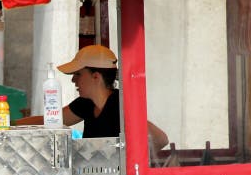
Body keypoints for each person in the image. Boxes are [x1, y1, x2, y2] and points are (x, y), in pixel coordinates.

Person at [17, 44, 168, 150]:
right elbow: (49, 120)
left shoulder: (119, 105)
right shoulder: (85, 104)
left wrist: (126, 161)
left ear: (96, 76)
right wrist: (8, 124)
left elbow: (160, 139)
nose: (73, 80)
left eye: (78, 74)